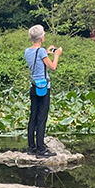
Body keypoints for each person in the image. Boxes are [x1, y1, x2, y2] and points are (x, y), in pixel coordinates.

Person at [23, 25, 62, 157]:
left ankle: (31, 147)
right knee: (42, 118)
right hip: (44, 88)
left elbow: (38, 54)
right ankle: (41, 149)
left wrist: (47, 52)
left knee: (33, 117)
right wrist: (56, 55)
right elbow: (53, 67)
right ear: (41, 38)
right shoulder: (41, 52)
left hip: (33, 87)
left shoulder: (27, 51)